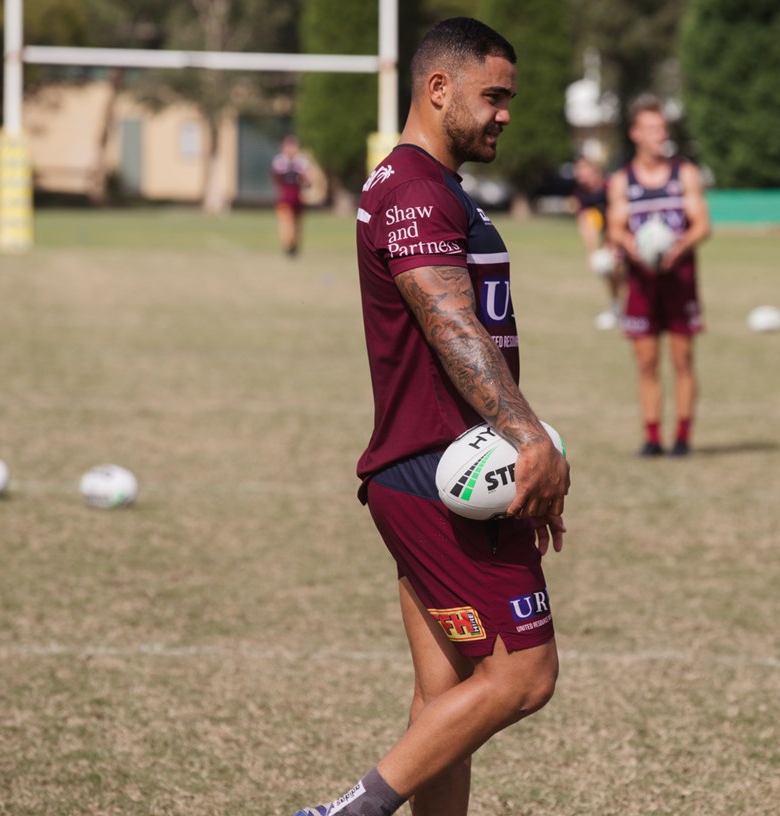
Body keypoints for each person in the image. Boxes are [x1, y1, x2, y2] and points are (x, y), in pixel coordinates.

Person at [292, 18, 570, 816]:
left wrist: (523, 456)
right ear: (437, 89)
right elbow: (451, 326)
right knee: (523, 676)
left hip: (442, 472)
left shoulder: (425, 186)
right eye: (494, 96)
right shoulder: (415, 191)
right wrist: (525, 440)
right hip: (438, 472)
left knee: (444, 697)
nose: (506, 113)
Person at [606, 96, 711, 457]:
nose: (659, 134)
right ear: (635, 133)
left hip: (678, 280)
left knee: (682, 359)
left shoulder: (684, 174)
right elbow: (615, 227)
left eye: (662, 128)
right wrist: (630, 246)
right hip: (641, 282)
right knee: (646, 362)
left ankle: (682, 436)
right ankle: (652, 437)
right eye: (651, 128)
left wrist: (679, 246)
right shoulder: (622, 181)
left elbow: (702, 225)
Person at [570, 155, 623, 330]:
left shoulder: (611, 186)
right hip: (607, 236)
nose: (579, 173)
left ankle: (633, 310)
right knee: (609, 270)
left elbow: (620, 214)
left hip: (624, 231)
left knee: (626, 272)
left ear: (595, 170)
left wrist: (614, 243)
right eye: (577, 169)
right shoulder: (580, 194)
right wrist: (592, 252)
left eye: (583, 169)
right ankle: (616, 309)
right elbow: (586, 223)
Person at [271, 135, 309, 257]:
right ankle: (288, 245)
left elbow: (308, 180)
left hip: (297, 198)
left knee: (297, 224)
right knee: (286, 222)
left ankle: (294, 245)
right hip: (284, 199)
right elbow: (275, 179)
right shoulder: (278, 162)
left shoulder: (301, 162)